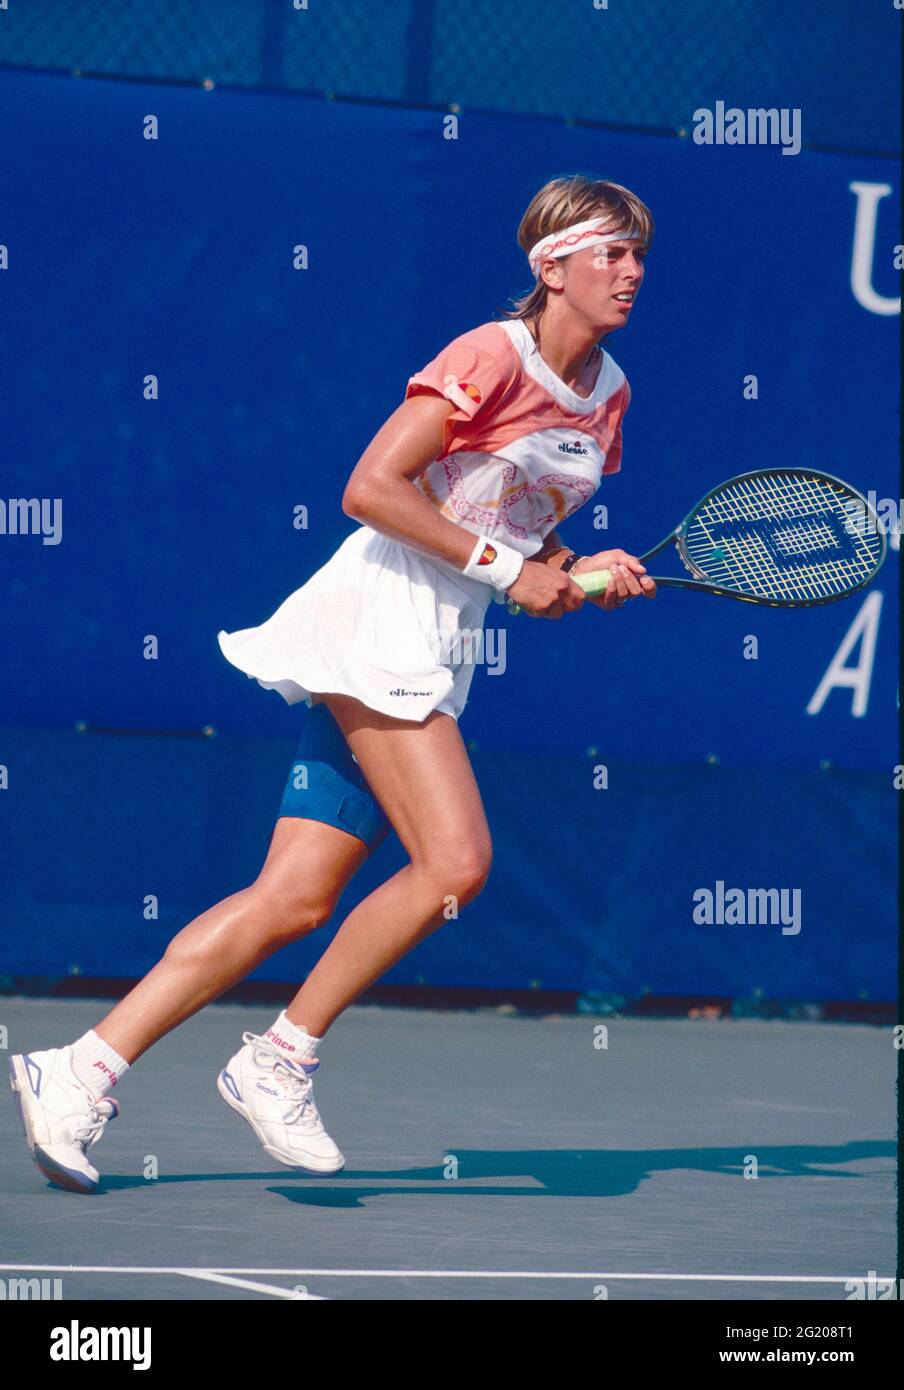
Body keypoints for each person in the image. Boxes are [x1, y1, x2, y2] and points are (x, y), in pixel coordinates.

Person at [9, 173, 656, 1194]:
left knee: (293, 897)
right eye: (610, 251)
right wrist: (511, 574)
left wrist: (578, 570)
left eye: (637, 254)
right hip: (377, 620)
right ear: (552, 265)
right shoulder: (487, 355)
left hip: (434, 646)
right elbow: (369, 488)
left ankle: (78, 1070)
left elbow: (520, 520)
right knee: (455, 864)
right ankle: (281, 1055)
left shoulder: (608, 393)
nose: (630, 271)